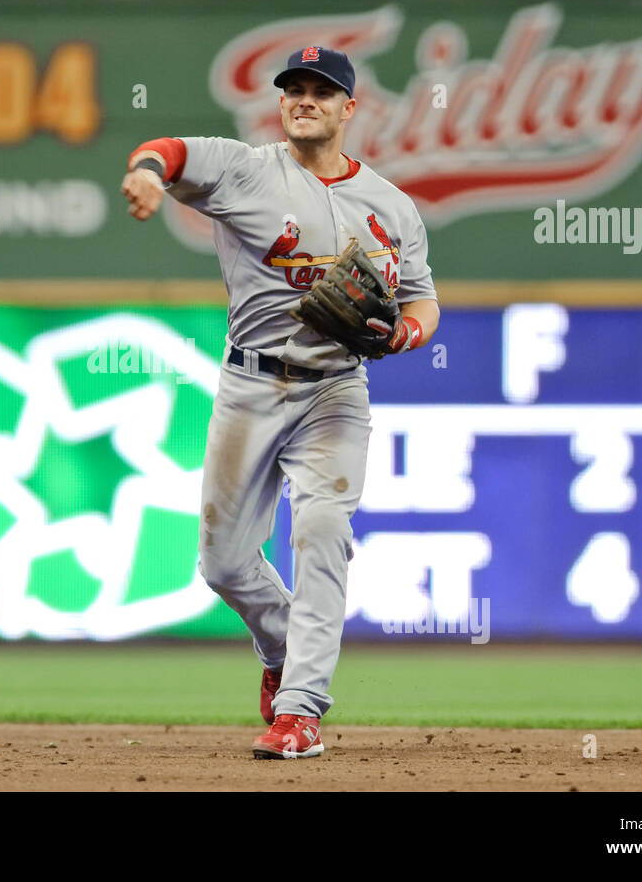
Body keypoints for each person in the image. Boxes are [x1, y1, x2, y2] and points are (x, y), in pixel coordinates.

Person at [119, 46, 440, 759]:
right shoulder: (244, 171)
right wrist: (145, 174)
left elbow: (421, 297)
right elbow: (167, 150)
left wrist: (408, 333)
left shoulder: (390, 206)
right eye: (293, 88)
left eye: (321, 91)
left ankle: (300, 711)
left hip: (334, 389)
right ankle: (282, 650)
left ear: (349, 108)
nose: (304, 99)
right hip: (251, 387)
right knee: (225, 564)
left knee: (321, 530)